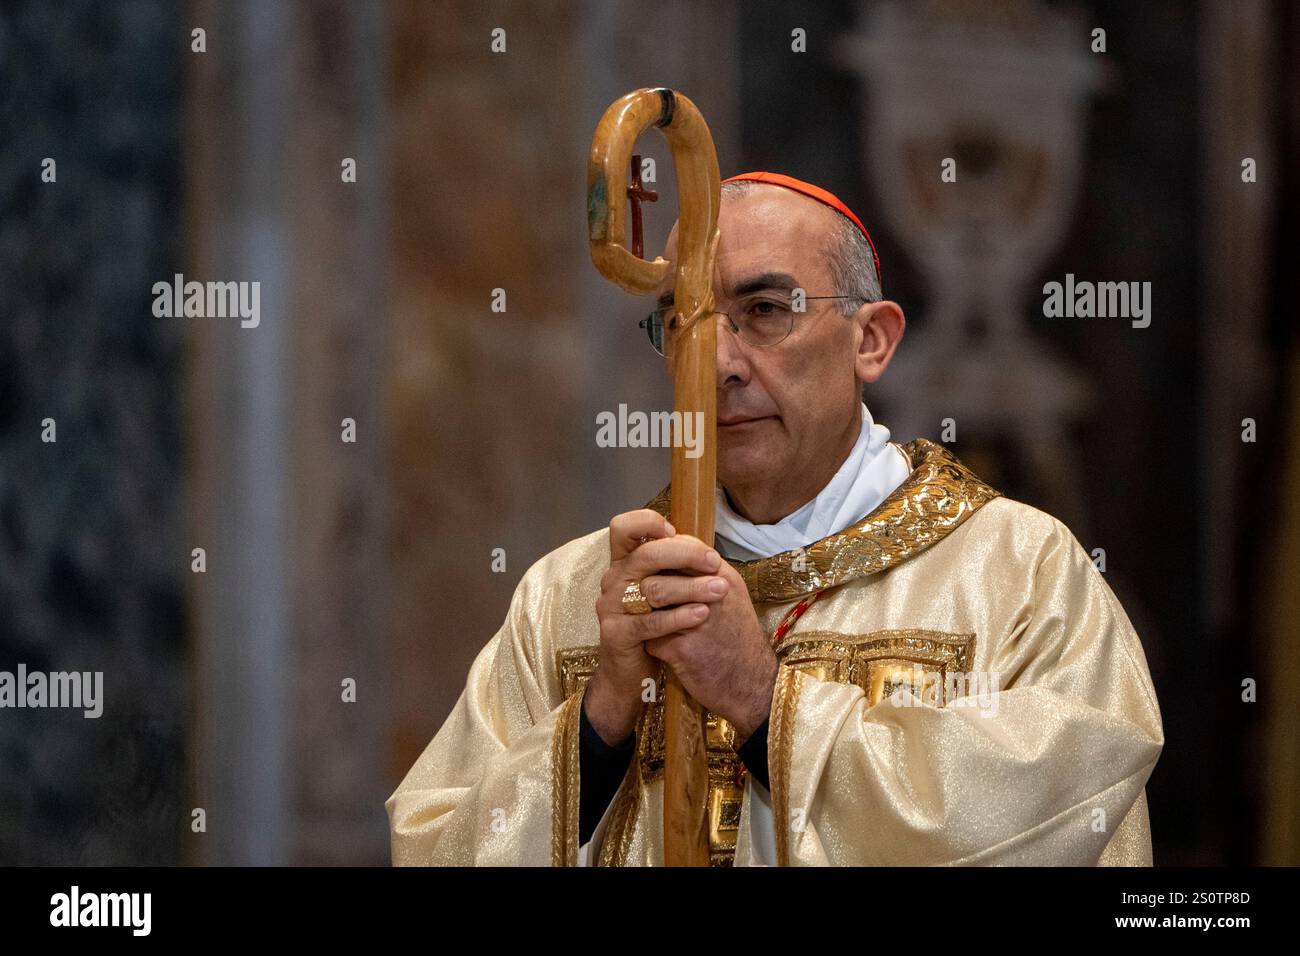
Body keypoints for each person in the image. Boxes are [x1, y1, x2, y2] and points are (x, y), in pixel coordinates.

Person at [386, 172, 1164, 866]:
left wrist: (765, 702)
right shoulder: (572, 594)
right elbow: (433, 845)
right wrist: (600, 721)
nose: (716, 363)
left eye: (764, 310)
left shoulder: (1020, 574)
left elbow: (1057, 820)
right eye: (683, 321)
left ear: (872, 339)